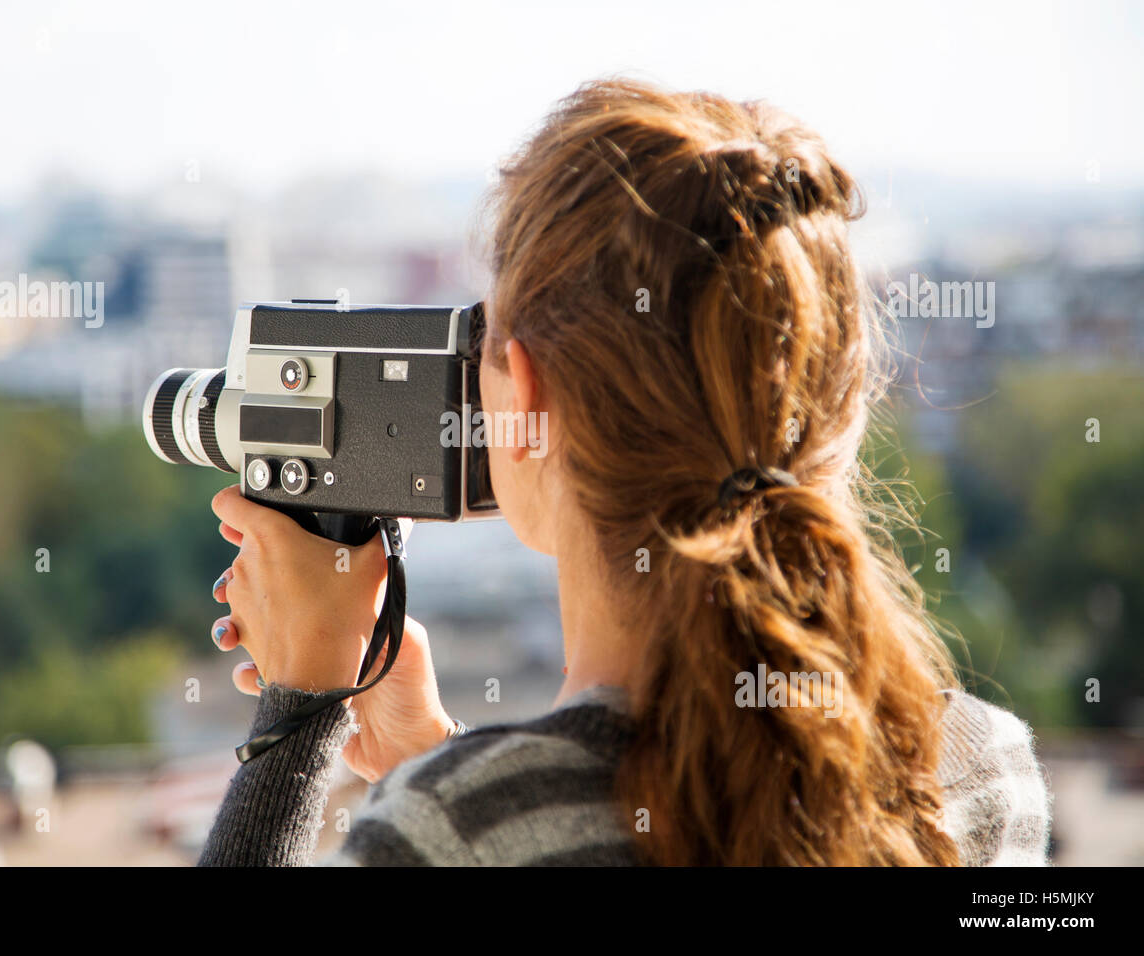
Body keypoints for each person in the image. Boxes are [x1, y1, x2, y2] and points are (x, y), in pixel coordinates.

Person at [198, 77, 1051, 866]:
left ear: (528, 391)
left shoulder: (447, 835)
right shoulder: (984, 771)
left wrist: (302, 707)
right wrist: (435, 758)